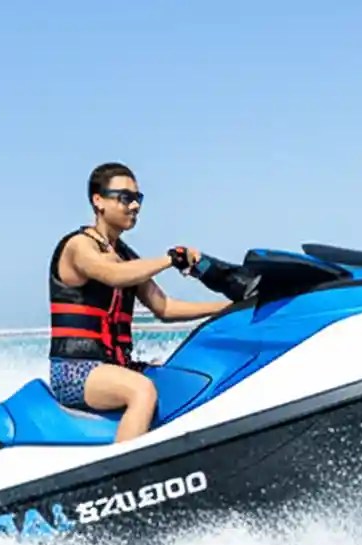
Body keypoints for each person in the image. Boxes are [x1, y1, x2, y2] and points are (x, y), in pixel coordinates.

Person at [48, 162, 232, 443]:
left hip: (119, 366)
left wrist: (227, 309)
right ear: (98, 201)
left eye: (138, 199)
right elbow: (113, 275)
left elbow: (165, 307)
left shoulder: (127, 256)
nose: (134, 206)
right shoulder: (79, 246)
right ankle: (117, 479)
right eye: (125, 198)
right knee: (141, 391)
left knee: (182, 381)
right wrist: (170, 260)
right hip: (77, 372)